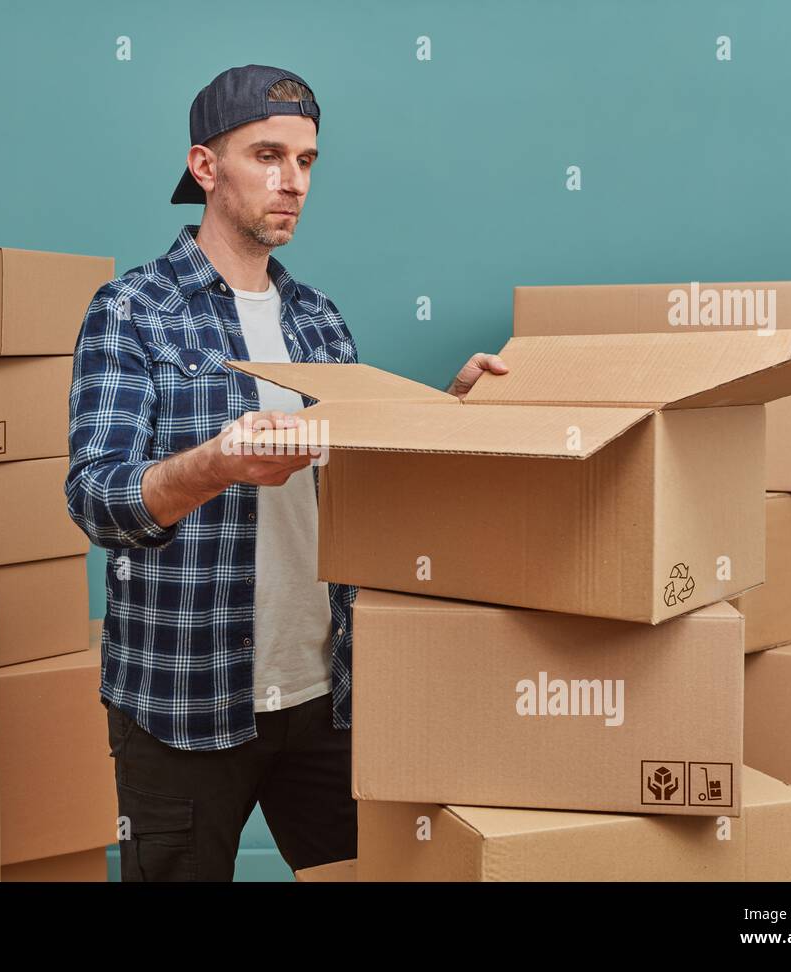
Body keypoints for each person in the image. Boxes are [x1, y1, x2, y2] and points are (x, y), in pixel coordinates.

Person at [65, 64, 507, 881]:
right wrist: (214, 465)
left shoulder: (318, 319)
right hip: (183, 701)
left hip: (325, 694)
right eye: (268, 156)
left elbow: (363, 487)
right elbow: (96, 499)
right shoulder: (130, 311)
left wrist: (454, 410)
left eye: (306, 161)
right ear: (205, 167)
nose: (292, 182)